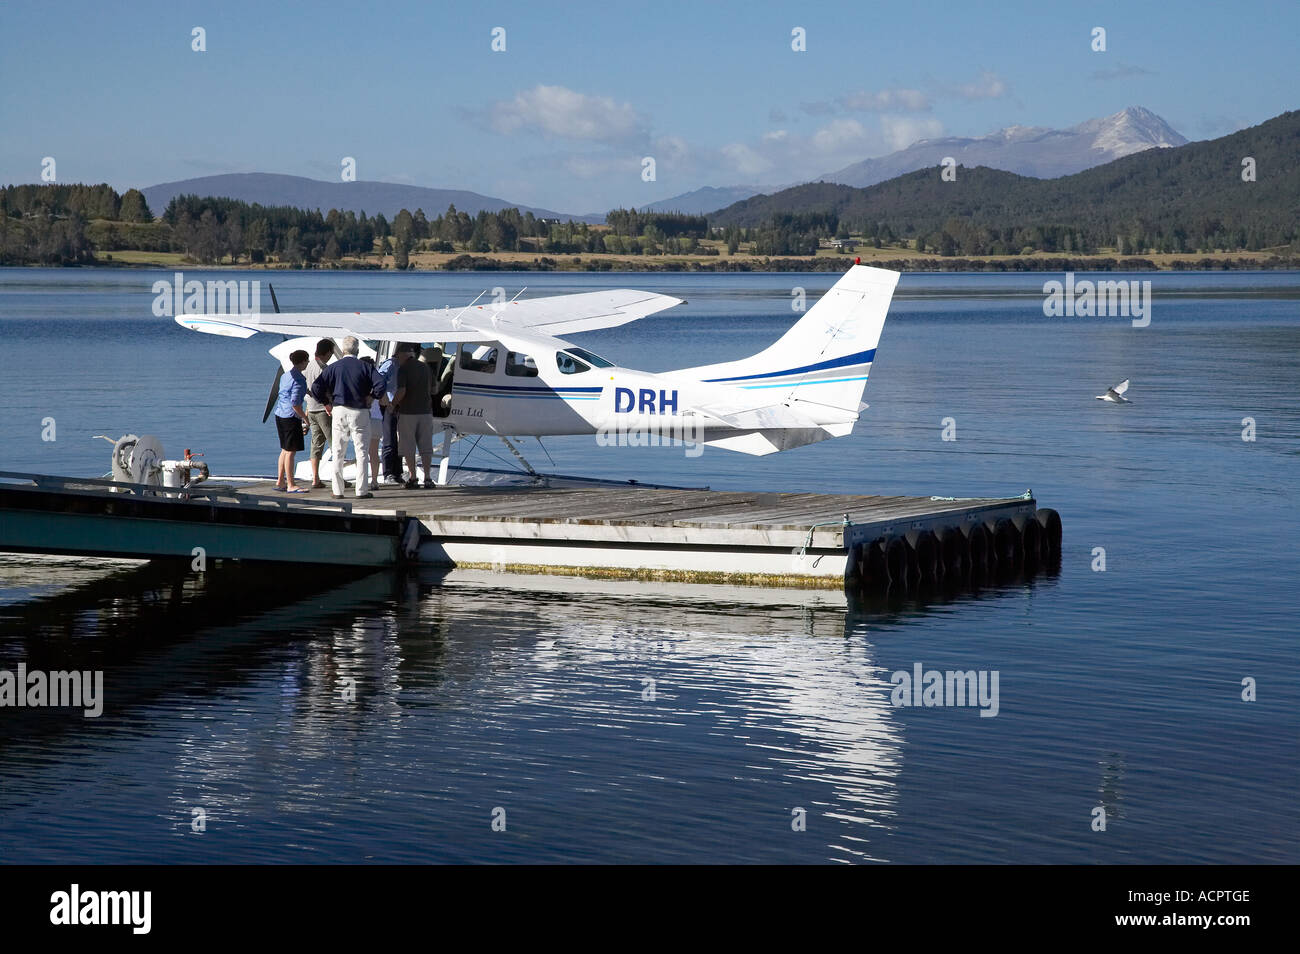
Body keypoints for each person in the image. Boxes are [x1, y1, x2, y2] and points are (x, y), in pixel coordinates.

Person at [309, 336, 387, 499]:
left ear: (343, 350)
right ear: (357, 350)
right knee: (362, 451)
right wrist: (373, 396)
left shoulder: (334, 367)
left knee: (338, 451)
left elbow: (316, 387)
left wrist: (326, 402)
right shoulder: (365, 367)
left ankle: (338, 491)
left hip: (339, 410)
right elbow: (381, 384)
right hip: (360, 411)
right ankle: (362, 490)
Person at [393, 343, 436, 488]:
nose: (397, 359)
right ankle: (428, 478)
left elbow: (402, 391)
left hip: (408, 413)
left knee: (408, 446)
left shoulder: (403, 369)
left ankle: (413, 477)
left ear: (403, 355)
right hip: (426, 413)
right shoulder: (426, 367)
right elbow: (434, 389)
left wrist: (392, 405)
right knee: (426, 446)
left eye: (398, 356)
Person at [273, 350, 311, 493]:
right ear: (302, 362)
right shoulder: (299, 379)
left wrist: (307, 392)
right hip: (291, 416)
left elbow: (287, 392)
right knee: (291, 451)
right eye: (306, 360)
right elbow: (295, 403)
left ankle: (280, 481)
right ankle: (291, 484)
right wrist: (305, 418)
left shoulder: (285, 375)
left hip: (280, 414)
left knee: (284, 449)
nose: (307, 363)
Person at [303, 338, 336, 489]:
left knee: (316, 444)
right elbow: (326, 390)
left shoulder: (308, 366)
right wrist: (329, 404)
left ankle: (315, 478)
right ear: (328, 352)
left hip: (311, 409)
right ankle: (338, 478)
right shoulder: (323, 368)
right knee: (334, 443)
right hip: (324, 410)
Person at [377, 346, 402, 484]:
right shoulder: (391, 363)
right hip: (389, 405)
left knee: (399, 440)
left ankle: (398, 472)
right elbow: (378, 380)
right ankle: (388, 473)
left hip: (400, 405)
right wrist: (384, 398)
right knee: (389, 439)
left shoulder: (404, 365)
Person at [360, 355, 384, 484]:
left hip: (364, 418)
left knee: (361, 451)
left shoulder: (360, 381)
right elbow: (384, 400)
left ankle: (362, 480)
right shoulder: (377, 381)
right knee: (374, 452)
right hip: (377, 419)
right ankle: (374, 480)